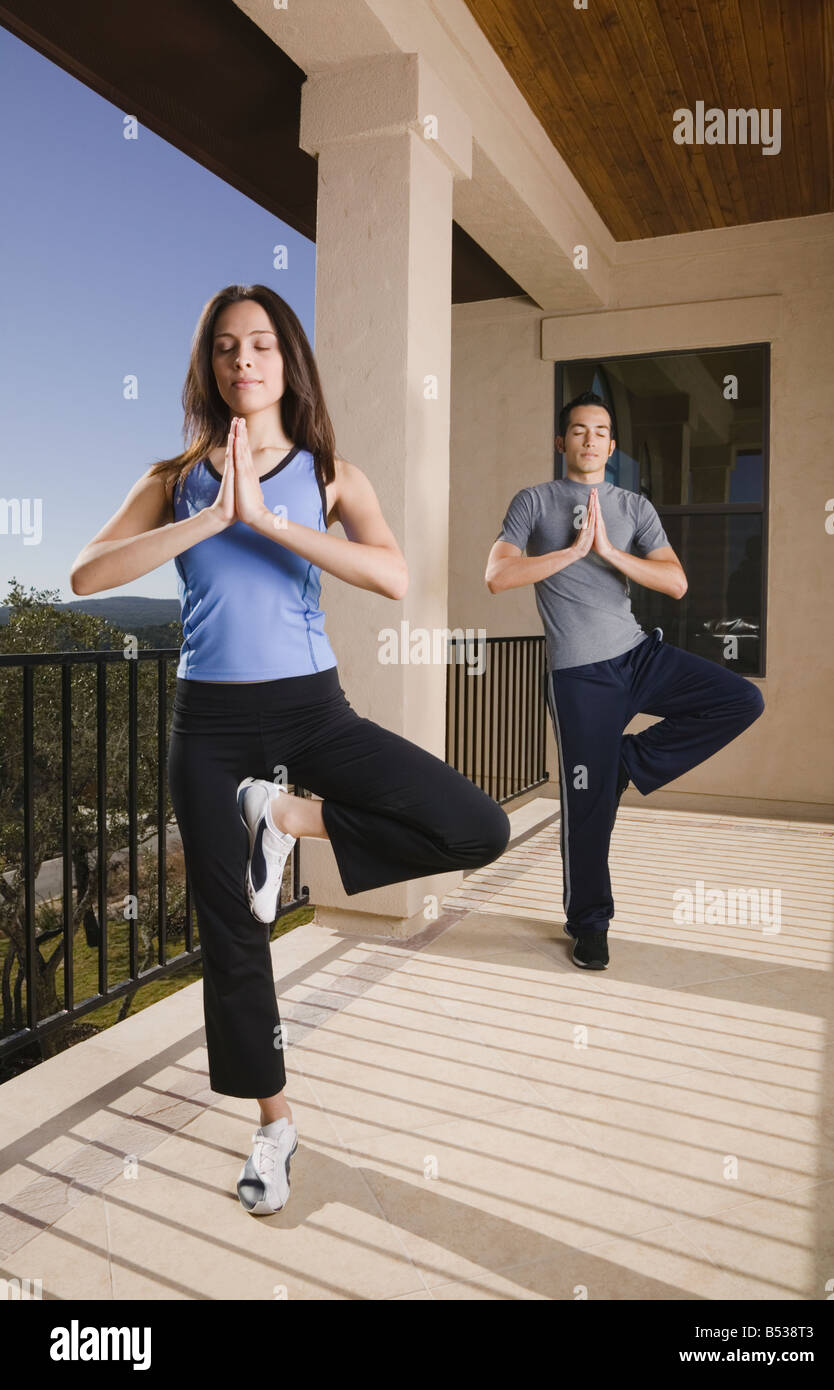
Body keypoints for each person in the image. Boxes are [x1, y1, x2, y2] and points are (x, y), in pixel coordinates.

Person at [69, 284, 511, 1215]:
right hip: (210, 719)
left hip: (313, 711)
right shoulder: (172, 474)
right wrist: (211, 518)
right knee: (234, 936)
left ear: (287, 360)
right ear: (210, 367)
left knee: (475, 829)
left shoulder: (332, 473)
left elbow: (391, 574)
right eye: (226, 348)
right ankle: (274, 1124)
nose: (244, 362)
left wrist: (269, 521)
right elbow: (86, 573)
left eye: (261, 345)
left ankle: (280, 816)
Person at [485, 391, 764, 971]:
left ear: (612, 447)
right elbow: (498, 575)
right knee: (587, 809)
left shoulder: (634, 507)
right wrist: (573, 550)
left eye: (601, 431)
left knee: (740, 699)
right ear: (562, 442)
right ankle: (590, 925)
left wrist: (609, 550)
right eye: (579, 430)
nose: (590, 439)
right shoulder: (534, 502)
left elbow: (676, 583)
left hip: (638, 656)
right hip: (579, 677)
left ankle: (627, 766)